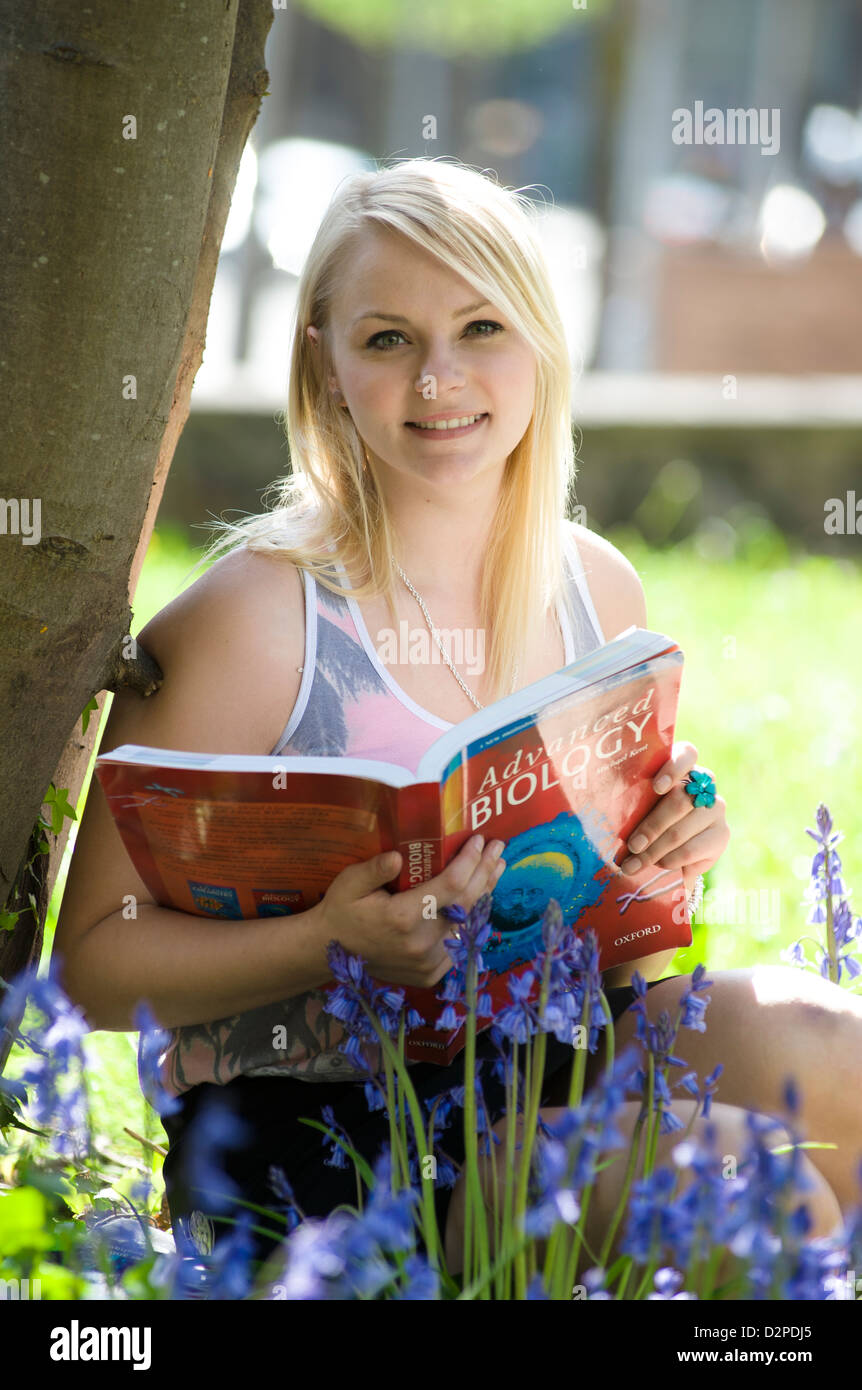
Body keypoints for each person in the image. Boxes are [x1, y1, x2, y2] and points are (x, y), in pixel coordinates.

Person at [53, 158, 852, 1286]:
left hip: (544, 1073)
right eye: (386, 339)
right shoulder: (252, 619)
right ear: (323, 364)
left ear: (538, 347)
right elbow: (87, 969)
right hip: (330, 1154)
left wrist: (666, 849)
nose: (439, 378)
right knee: (741, 1179)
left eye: (481, 326)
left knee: (832, 1045)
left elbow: (629, 946)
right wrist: (331, 940)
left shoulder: (597, 593)